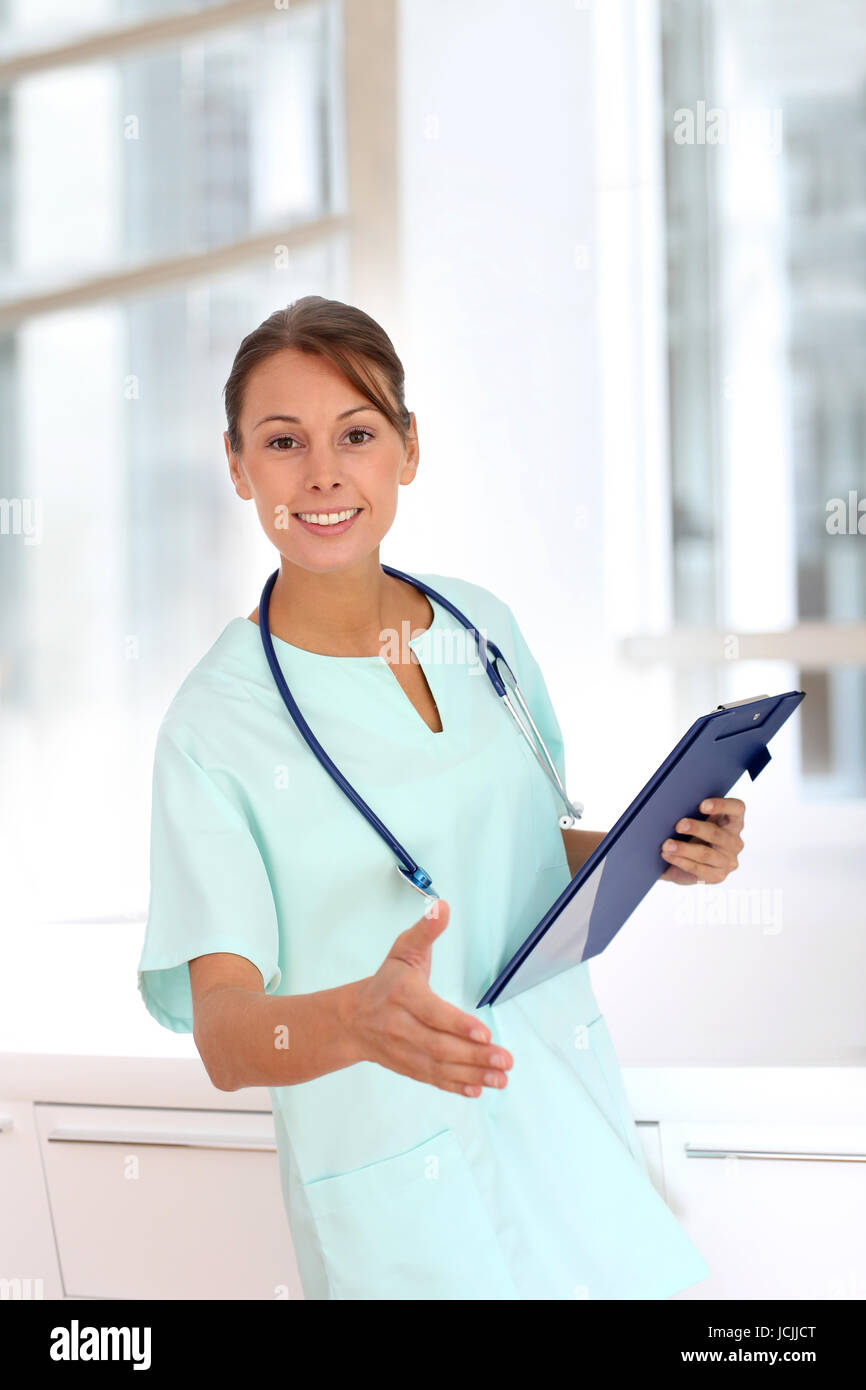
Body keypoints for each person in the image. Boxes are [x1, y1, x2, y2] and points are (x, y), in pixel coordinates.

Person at [137, 294, 747, 1300]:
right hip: (401, 1195)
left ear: (407, 449)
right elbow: (227, 1036)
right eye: (282, 441)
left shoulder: (485, 628)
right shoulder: (215, 726)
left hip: (565, 1131)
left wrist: (670, 843)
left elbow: (527, 857)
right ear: (238, 466)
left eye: (358, 434)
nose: (323, 473)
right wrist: (355, 1021)